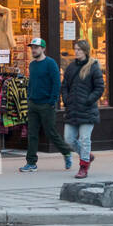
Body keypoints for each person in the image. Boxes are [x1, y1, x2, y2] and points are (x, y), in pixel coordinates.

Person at [19, 37, 72, 172]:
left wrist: (52, 101)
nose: (34, 50)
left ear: (43, 49)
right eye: (32, 48)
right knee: (32, 134)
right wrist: (29, 97)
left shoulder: (50, 63)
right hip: (33, 103)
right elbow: (31, 82)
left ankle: (66, 152)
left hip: (46, 104)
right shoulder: (32, 64)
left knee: (51, 132)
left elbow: (56, 83)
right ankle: (31, 162)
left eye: (36, 47)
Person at [61, 39, 105, 179]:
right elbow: (64, 86)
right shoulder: (71, 67)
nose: (76, 52)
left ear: (85, 51)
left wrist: (89, 100)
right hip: (72, 109)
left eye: (79, 49)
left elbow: (99, 88)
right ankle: (87, 156)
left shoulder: (93, 67)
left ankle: (83, 167)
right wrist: (66, 100)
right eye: (75, 49)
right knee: (69, 139)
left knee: (85, 139)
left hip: (87, 110)